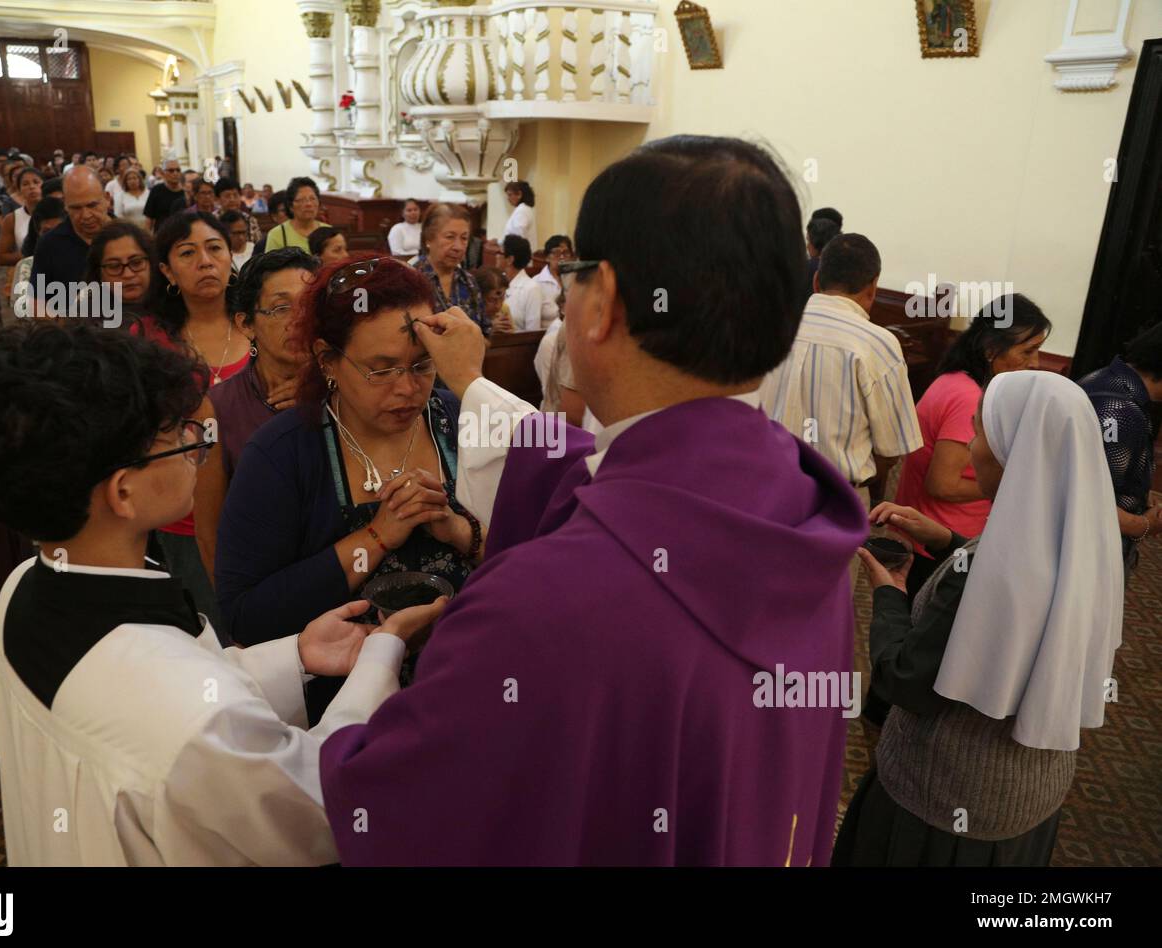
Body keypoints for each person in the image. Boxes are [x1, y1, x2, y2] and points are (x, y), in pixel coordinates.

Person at [315, 135, 868, 865]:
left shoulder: (541, 602)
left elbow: (387, 806)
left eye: (572, 274)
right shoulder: (798, 504)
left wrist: (375, 670)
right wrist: (474, 387)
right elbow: (596, 472)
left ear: (599, 301)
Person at [0, 321, 441, 865]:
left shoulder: (25, 587)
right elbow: (320, 803)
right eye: (176, 435)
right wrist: (383, 651)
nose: (192, 448)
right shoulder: (190, 721)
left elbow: (163, 687)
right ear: (123, 491)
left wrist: (294, 657)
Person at [835, 371, 1123, 866]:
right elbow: (1023, 601)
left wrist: (888, 594)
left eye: (979, 432)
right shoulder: (1088, 542)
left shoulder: (988, 571)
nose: (970, 448)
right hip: (1028, 801)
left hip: (941, 808)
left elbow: (903, 680)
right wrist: (948, 541)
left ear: (1017, 450)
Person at [216, 256, 480, 720]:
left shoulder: (459, 423)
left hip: (469, 682)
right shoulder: (282, 454)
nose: (407, 389)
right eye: (381, 370)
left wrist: (460, 532)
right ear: (327, 359)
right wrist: (376, 538)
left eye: (422, 365)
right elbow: (247, 616)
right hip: (342, 709)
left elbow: (530, 555)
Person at [132, 212, 250, 634]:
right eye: (188, 252)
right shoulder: (148, 339)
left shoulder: (259, 323)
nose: (205, 261)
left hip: (263, 500)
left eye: (215, 248)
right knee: (218, 627)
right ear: (166, 270)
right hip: (185, 513)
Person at [895, 294, 1052, 597]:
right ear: (992, 349)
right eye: (1028, 351)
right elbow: (941, 484)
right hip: (940, 543)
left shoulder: (955, 378)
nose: (1035, 363)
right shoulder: (967, 397)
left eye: (1039, 350)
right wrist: (1009, 483)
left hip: (933, 537)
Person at [759, 232, 921, 515]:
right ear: (873, 288)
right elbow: (891, 450)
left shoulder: (771, 330)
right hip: (836, 504)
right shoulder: (878, 345)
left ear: (817, 281)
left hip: (763, 491)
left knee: (764, 559)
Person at [195, 249, 319, 584]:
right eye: (281, 308)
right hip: (264, 585)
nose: (299, 320)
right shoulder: (217, 407)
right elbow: (210, 534)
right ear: (245, 323)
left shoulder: (347, 392)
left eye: (310, 305)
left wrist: (326, 396)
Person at [1078, 320, 1162, 572]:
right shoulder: (1121, 411)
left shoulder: (1109, 380)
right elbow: (1088, 501)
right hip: (1088, 554)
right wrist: (1144, 524)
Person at [30, 167, 108, 314]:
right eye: (76, 208)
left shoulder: (127, 236)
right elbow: (36, 305)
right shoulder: (49, 244)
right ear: (65, 204)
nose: (86, 215)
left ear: (107, 198)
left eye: (92, 205)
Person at [414, 203, 487, 333]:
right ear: (429, 238)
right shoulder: (411, 279)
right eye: (450, 237)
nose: (458, 247)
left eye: (464, 238)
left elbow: (484, 334)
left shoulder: (469, 282)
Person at [81, 221, 156, 331]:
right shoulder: (84, 321)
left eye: (136, 263)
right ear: (99, 273)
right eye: (114, 266)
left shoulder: (179, 306)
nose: (128, 274)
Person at [8, 196, 66, 323]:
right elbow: (24, 314)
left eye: (59, 230)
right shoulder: (26, 266)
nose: (54, 238)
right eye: (47, 232)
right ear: (38, 233)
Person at [501, 234, 555, 332]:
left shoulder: (531, 288)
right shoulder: (498, 281)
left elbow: (532, 332)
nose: (497, 257)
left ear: (510, 259)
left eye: (500, 253)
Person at [0, 166, 44, 269]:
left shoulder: (57, 213)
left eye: (36, 182)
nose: (31, 187)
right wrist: (32, 255)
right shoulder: (12, 219)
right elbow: (1, 257)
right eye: (25, 184)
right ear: (19, 190)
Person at [264, 177, 330, 253]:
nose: (308, 204)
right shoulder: (277, 235)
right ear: (291, 206)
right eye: (301, 200)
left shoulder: (328, 231)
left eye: (312, 199)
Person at [143, 159, 187, 231]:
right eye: (171, 170)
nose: (175, 173)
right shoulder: (156, 190)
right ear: (163, 173)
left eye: (178, 170)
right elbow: (149, 219)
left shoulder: (186, 191)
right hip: (161, 235)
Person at [215, 177, 262, 244]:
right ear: (217, 199)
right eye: (227, 196)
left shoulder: (250, 220)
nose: (232, 199)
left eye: (235, 195)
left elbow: (258, 246)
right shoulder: (212, 220)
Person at [804, 216, 841, 292]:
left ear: (815, 242)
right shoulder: (843, 268)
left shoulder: (805, 268)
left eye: (808, 241)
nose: (807, 246)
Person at [535, 233, 573, 302]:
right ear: (547, 257)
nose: (562, 257)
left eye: (566, 252)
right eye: (557, 253)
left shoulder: (576, 279)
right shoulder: (536, 283)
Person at [502, 179, 537, 253]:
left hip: (518, 256)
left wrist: (500, 243)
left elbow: (518, 237)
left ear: (519, 194)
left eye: (510, 195)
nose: (508, 198)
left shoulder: (522, 211)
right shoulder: (524, 208)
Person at [472, 267, 511, 332]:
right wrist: (488, 328)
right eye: (491, 300)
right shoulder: (470, 311)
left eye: (502, 298)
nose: (498, 306)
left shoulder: (504, 309)